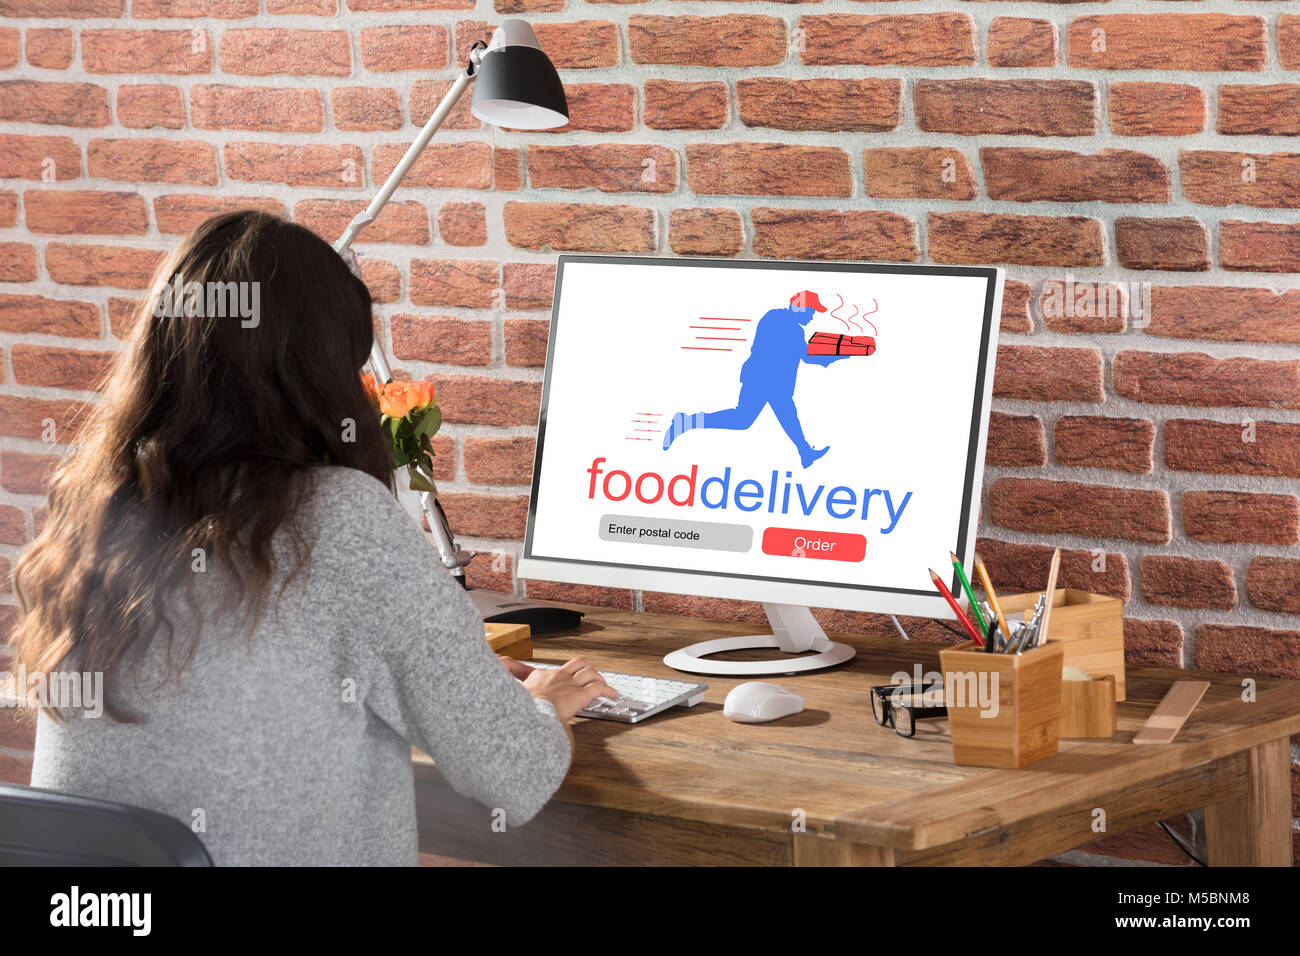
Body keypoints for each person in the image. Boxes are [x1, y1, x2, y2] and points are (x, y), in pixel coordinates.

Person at [12, 210, 615, 866]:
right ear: (319, 372)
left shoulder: (96, 513)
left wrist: (430, 678)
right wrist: (542, 705)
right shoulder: (338, 519)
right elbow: (512, 769)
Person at [662, 291, 849, 467]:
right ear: (800, 308)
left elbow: (803, 354)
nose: (812, 316)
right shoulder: (782, 323)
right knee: (744, 420)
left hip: (772, 383)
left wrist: (833, 356)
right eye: (811, 311)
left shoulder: (782, 322)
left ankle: (805, 453)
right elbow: (806, 355)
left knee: (783, 417)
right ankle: (687, 421)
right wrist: (837, 355)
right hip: (763, 382)